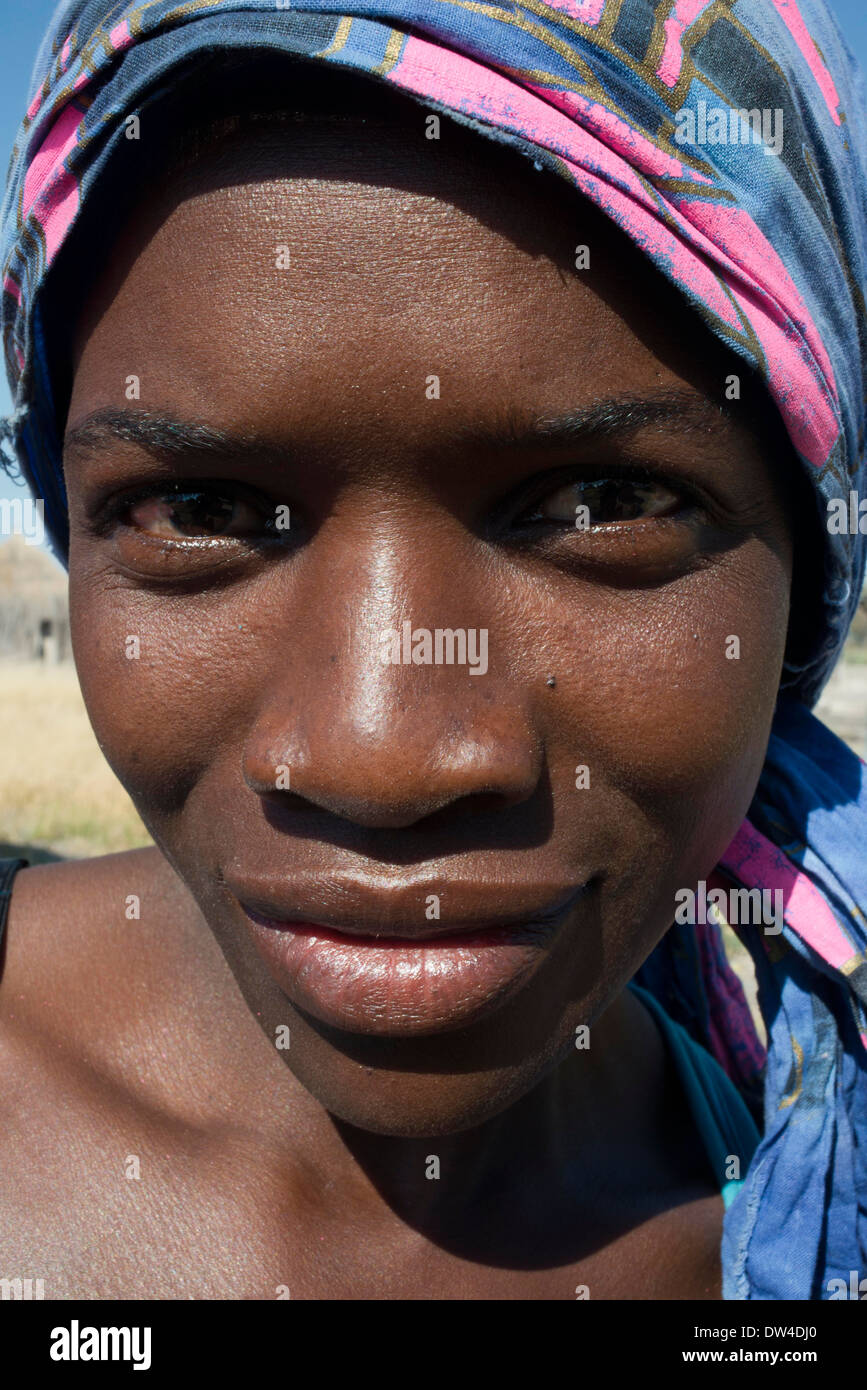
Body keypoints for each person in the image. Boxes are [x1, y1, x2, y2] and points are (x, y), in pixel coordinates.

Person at [0, 0, 864, 1301]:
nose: (378, 754)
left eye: (599, 504)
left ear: (805, 586)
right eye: (205, 510)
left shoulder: (782, 1245)